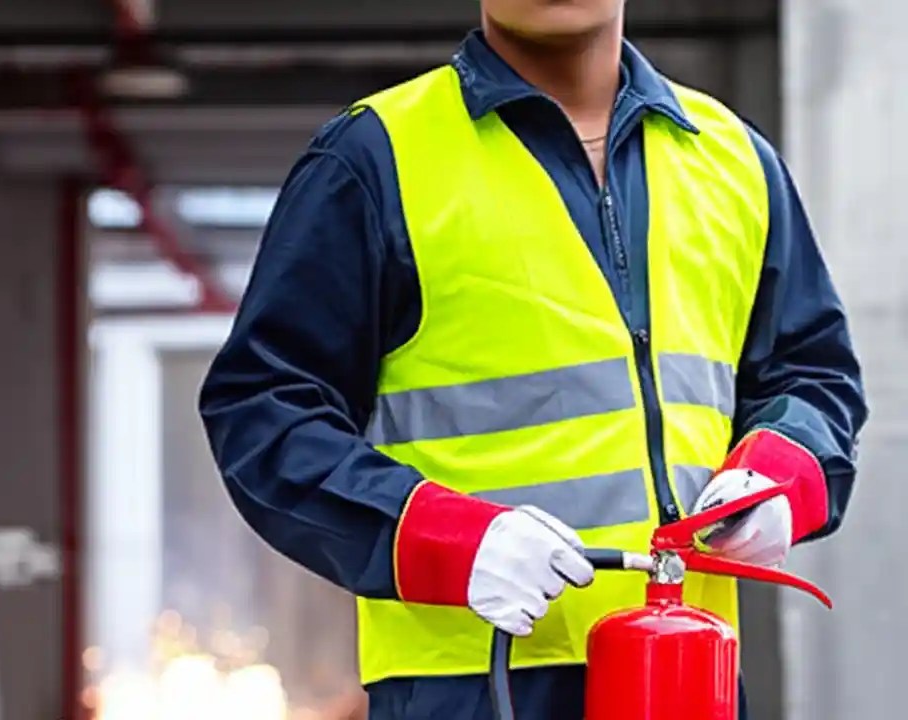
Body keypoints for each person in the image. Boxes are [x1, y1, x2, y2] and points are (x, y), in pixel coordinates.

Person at [198, 1, 868, 718]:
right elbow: (263, 414)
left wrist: (783, 477)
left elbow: (814, 375)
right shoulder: (373, 161)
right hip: (473, 686)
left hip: (682, 677)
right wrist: (445, 540)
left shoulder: (733, 158)